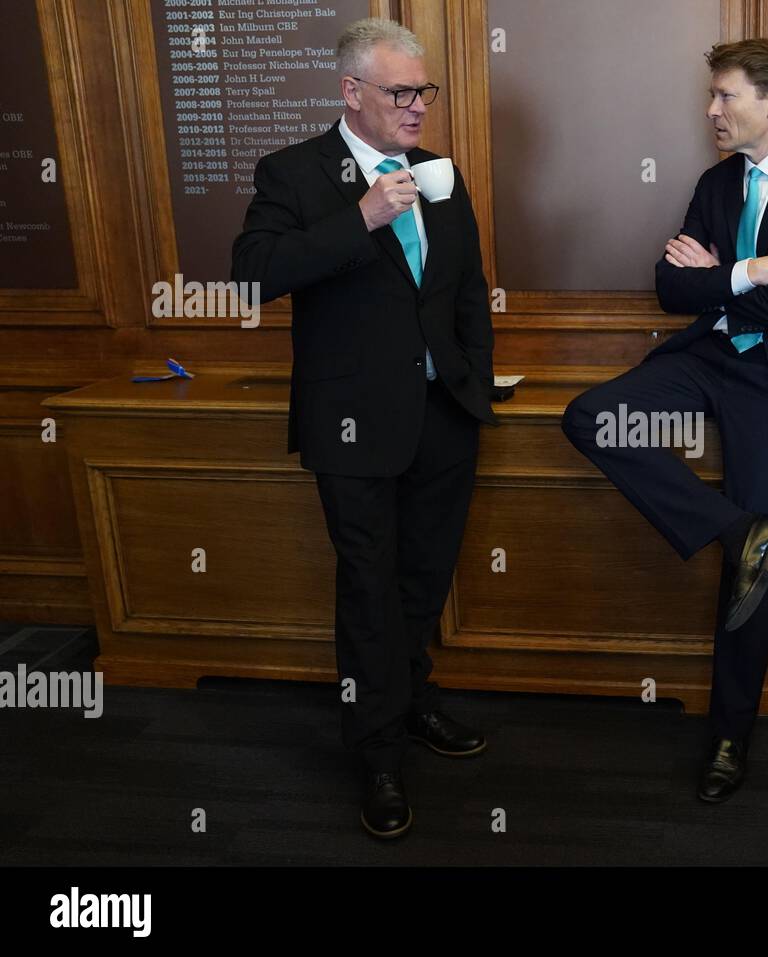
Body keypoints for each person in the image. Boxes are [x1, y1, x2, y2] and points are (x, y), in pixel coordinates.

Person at [562, 38, 768, 803]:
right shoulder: (715, 183)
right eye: (713, 97)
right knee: (593, 417)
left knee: (750, 581)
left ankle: (731, 734)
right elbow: (672, 288)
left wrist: (725, 276)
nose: (711, 110)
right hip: (708, 359)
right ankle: (739, 532)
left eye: (726, 96)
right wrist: (751, 273)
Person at [231, 18, 495, 839]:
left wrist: (474, 387)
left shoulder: (440, 174)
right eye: (401, 93)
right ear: (353, 93)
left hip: (444, 417)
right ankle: (376, 750)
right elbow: (254, 274)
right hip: (352, 426)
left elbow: (466, 293)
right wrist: (364, 217)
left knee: (422, 580)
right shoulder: (295, 173)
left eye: (426, 91)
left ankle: (412, 700)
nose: (420, 108)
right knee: (370, 589)